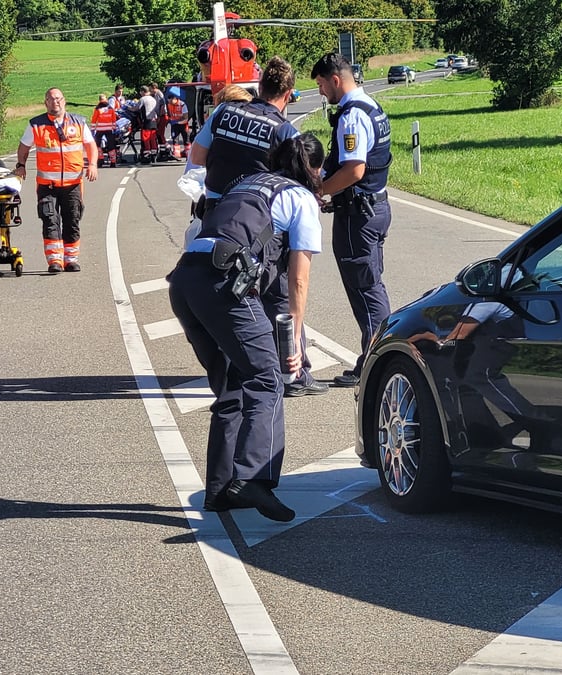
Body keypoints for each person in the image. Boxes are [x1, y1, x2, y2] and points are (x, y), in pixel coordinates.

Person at [168, 133, 326, 522]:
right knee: (267, 377)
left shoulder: (245, 184)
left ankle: (219, 490)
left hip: (185, 281)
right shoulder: (301, 199)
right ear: (315, 170)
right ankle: (254, 477)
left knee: (233, 383)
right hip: (223, 285)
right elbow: (298, 278)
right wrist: (296, 342)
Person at [189, 56, 327, 398]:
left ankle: (234, 365)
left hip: (216, 210)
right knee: (277, 291)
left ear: (259, 86)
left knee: (225, 290)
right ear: (289, 93)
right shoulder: (284, 131)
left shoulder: (223, 112)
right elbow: (297, 177)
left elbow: (197, 155)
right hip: (259, 215)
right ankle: (292, 368)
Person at [311, 52, 394, 387]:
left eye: (320, 85)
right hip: (374, 208)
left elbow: (354, 169)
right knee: (371, 285)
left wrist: (321, 191)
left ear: (335, 79)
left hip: (358, 215)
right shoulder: (371, 106)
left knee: (365, 290)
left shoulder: (352, 117)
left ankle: (375, 364)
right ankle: (377, 356)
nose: (320, 93)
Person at [13, 87, 99, 273]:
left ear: (64, 100)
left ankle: (71, 260)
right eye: (51, 99)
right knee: (50, 220)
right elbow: (24, 147)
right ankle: (54, 261)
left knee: (72, 220)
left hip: (73, 184)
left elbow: (90, 145)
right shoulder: (36, 125)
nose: (56, 102)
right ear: (46, 103)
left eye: (58, 99)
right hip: (47, 185)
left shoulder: (78, 122)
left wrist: (92, 164)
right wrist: (21, 165)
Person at [90, 94, 120, 167]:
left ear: (99, 100)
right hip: (109, 129)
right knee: (111, 146)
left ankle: (100, 160)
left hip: (100, 129)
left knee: (98, 145)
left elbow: (94, 120)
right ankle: (113, 162)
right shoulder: (110, 108)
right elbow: (113, 119)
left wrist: (93, 130)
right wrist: (114, 128)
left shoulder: (97, 109)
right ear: (106, 100)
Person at [165, 86, 190, 160]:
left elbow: (186, 118)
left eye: (170, 100)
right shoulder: (169, 105)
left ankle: (188, 154)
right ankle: (176, 154)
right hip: (175, 125)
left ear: (175, 99)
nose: (169, 101)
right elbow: (170, 114)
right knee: (175, 139)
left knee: (186, 140)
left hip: (183, 125)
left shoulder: (182, 105)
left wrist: (177, 122)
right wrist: (169, 120)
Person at [137, 85, 159, 163]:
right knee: (153, 138)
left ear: (143, 92)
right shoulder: (153, 99)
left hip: (146, 121)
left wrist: (128, 107)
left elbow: (137, 108)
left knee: (146, 138)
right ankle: (154, 154)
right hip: (153, 120)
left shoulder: (142, 99)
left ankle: (147, 155)